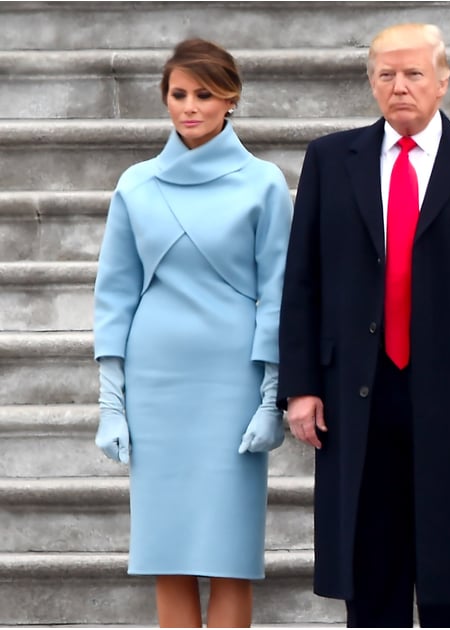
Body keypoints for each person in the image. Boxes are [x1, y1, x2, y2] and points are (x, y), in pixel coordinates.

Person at [277, 22, 450, 628]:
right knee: (370, 579)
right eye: (386, 74)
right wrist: (301, 384)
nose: (400, 86)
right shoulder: (329, 159)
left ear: (443, 81)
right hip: (355, 394)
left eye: (414, 73)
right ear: (371, 82)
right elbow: (303, 279)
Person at [92, 39, 292, 627]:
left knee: (230, 554)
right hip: (156, 384)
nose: (189, 106)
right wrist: (111, 402)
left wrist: (269, 398)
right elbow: (115, 294)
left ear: (230, 99)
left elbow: (278, 293)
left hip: (232, 383)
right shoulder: (135, 184)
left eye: (204, 94)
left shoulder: (263, 183)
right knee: (168, 552)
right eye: (178, 94)